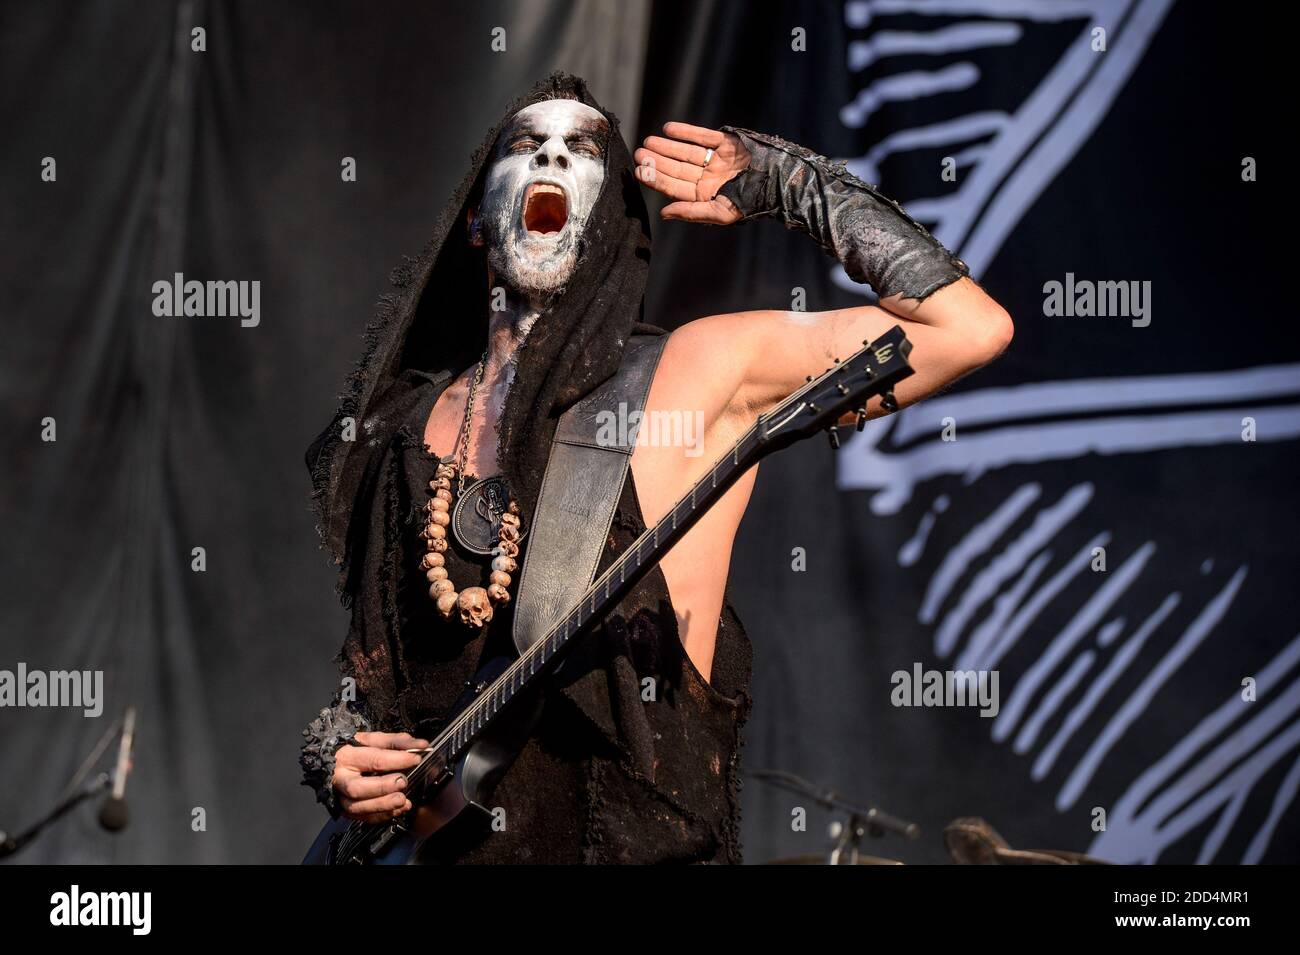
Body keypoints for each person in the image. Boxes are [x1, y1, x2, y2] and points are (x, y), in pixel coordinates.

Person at [300, 73, 1012, 864]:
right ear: (475, 218)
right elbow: (374, 685)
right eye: (527, 145)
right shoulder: (407, 427)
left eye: (582, 149)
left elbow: (967, 328)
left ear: (611, 218)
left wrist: (788, 184)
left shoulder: (691, 376)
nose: (553, 157)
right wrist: (339, 753)